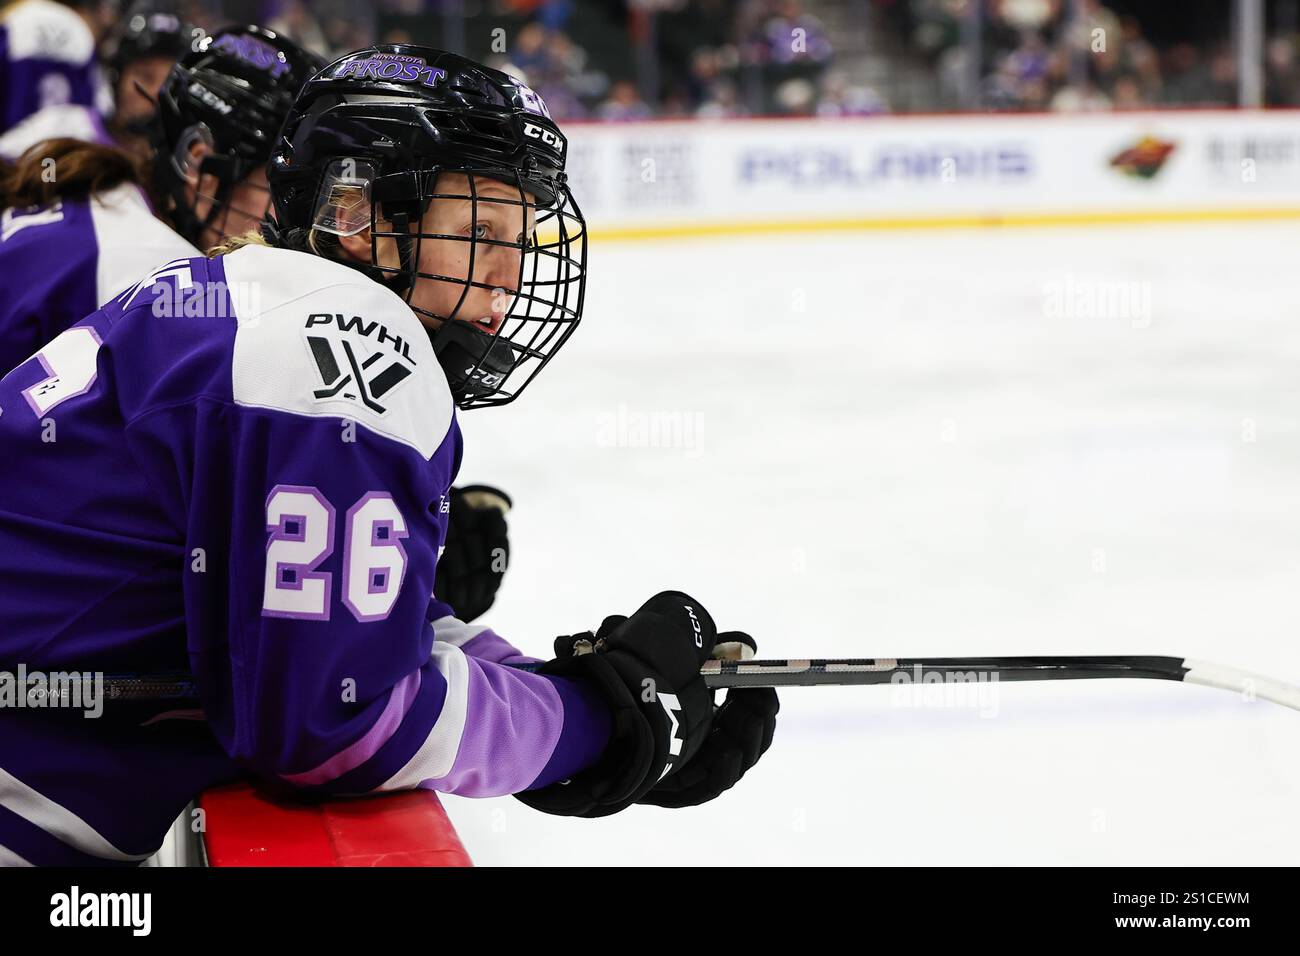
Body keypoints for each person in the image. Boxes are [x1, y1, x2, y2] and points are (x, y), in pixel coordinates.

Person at [0, 44, 777, 865]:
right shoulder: (340, 337)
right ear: (358, 215)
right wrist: (590, 727)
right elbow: (327, 724)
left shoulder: (253, 305)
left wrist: (571, 694)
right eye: (480, 230)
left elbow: (319, 641)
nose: (511, 274)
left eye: (522, 236)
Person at [0, 25, 320, 374]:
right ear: (199, 164)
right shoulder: (155, 274)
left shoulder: (106, 201)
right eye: (274, 190)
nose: (287, 218)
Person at [0, 10, 192, 161]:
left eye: (171, 81)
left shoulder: (188, 164)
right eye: (146, 77)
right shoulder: (62, 131)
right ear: (115, 78)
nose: (157, 92)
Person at [0, 0, 112, 136]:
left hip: (9, 148)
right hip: (66, 151)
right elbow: (101, 106)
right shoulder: (80, 32)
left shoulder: (15, 18)